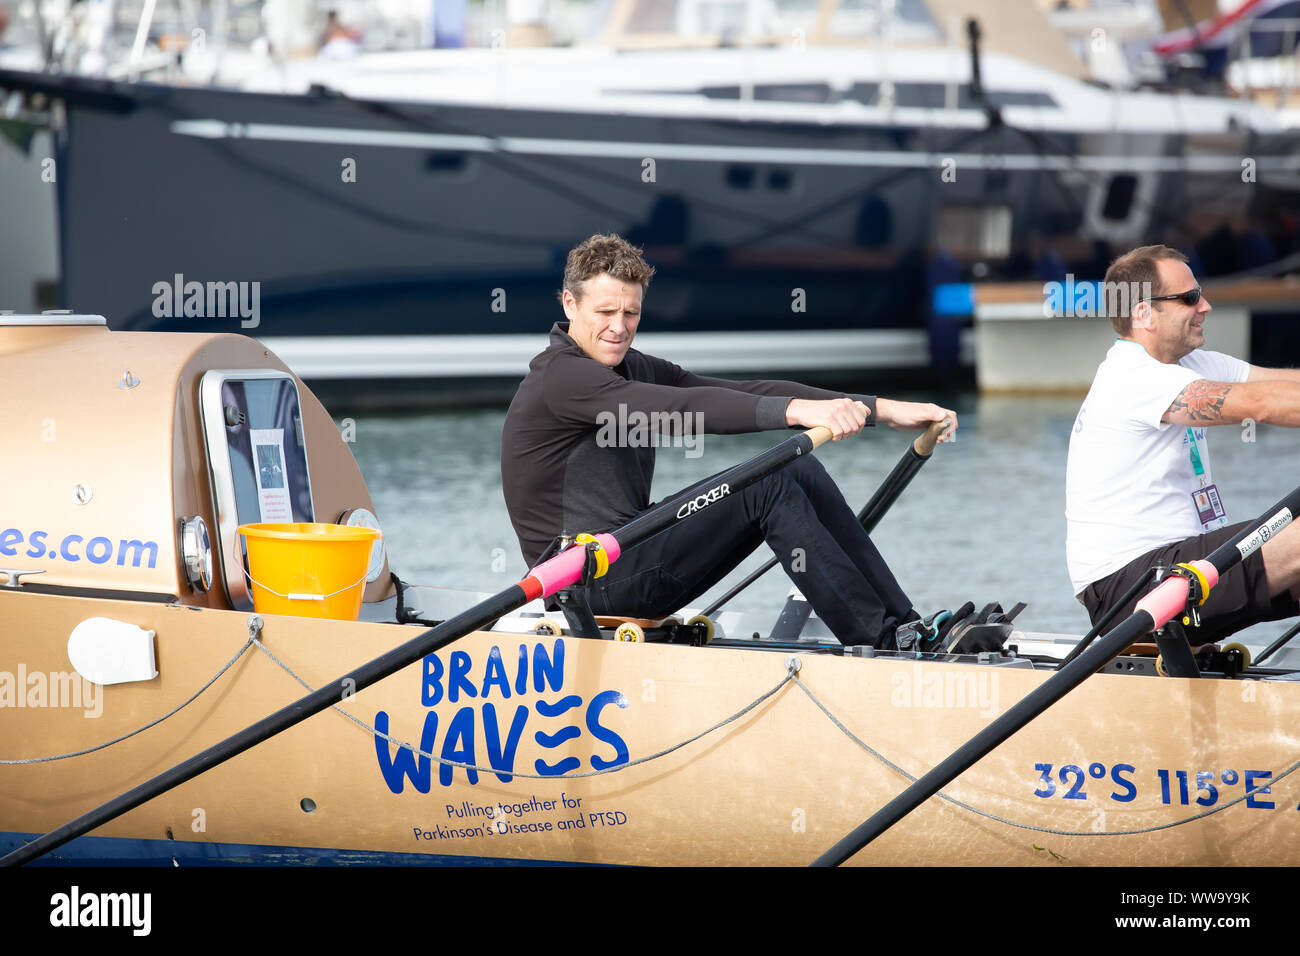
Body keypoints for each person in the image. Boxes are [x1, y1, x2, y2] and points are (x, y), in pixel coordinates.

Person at [500, 234, 957, 648]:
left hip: (627, 553)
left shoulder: (630, 365)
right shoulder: (560, 378)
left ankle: (903, 623)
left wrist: (881, 408)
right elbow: (683, 411)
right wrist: (798, 413)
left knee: (794, 467)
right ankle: (877, 640)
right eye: (605, 312)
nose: (619, 327)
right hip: (583, 587)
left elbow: (738, 392)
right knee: (767, 485)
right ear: (569, 304)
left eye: (631, 312)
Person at [1066, 244, 1300, 644]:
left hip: (1185, 568)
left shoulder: (1191, 364)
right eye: (1189, 298)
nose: (1205, 306)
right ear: (1143, 313)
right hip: (1131, 592)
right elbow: (1260, 406)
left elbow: (1283, 386)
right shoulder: (1132, 377)